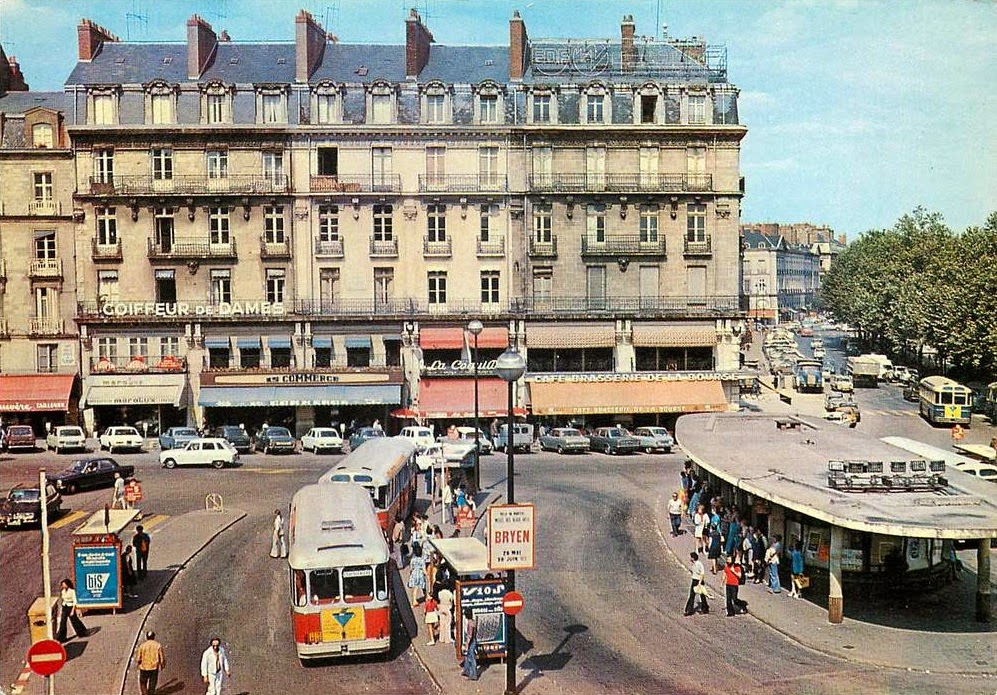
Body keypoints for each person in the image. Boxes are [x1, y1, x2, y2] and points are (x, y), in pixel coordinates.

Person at [56, 578, 89, 642]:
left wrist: (72, 610)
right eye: (62, 585)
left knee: (74, 621)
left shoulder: (72, 591)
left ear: (68, 585)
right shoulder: (62, 591)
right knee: (63, 622)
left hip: (70, 607)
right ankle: (61, 637)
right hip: (65, 606)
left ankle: (81, 632)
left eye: (64, 585)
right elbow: (62, 599)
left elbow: (74, 601)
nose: (63, 586)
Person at [135, 630, 166, 695]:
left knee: (143, 682)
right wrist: (162, 665)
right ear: (154, 637)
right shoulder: (158, 645)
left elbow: (138, 659)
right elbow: (162, 658)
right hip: (154, 668)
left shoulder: (142, 646)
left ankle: (145, 693)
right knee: (152, 683)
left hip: (144, 668)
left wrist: (138, 663)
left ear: (146, 637)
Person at [683, 552, 709, 616]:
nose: (690, 558)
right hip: (694, 580)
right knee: (692, 595)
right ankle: (689, 610)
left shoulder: (699, 564)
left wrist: (699, 583)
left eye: (691, 557)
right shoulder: (693, 564)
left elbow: (702, 574)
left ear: (693, 558)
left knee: (702, 595)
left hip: (698, 581)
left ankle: (705, 608)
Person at [461, 607, 478, 680]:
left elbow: (469, 635)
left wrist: (467, 644)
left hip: (471, 642)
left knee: (471, 657)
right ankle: (466, 670)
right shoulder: (473, 621)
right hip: (474, 640)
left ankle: (473, 674)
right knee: (468, 657)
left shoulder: (470, 623)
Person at [408, 542, 428, 607]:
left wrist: (411, 573)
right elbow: (424, 569)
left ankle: (414, 600)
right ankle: (426, 596)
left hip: (414, 574)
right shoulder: (422, 560)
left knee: (415, 588)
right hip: (420, 574)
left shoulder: (412, 560)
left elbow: (411, 568)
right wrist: (426, 574)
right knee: (423, 586)